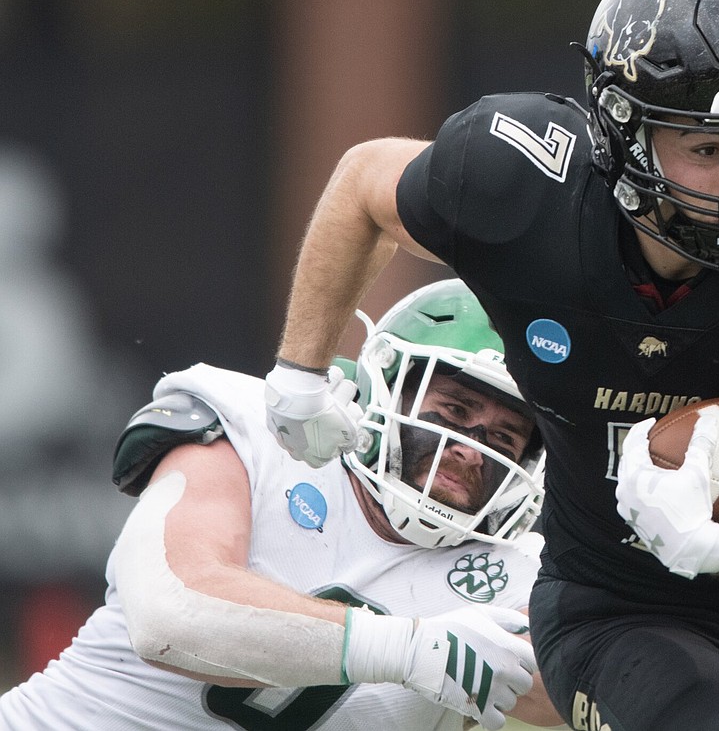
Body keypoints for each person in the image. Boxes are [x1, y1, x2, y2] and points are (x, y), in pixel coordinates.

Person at [262, 0, 719, 730]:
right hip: (612, 608)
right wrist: (299, 372)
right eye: (709, 149)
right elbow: (363, 184)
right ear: (624, 130)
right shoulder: (521, 187)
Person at [0, 279, 565, 730]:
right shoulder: (259, 432)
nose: (470, 452)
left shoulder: (513, 574)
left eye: (503, 439)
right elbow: (169, 613)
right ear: (386, 386)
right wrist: (411, 648)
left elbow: (602, 693)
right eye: (454, 411)